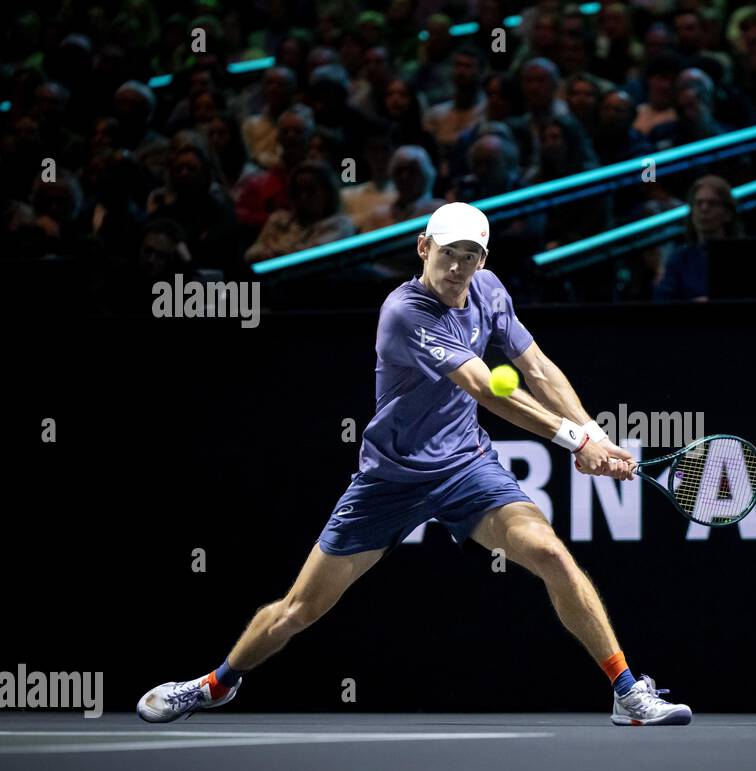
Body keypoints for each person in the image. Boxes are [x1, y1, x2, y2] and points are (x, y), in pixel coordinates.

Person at [138, 202, 693, 728]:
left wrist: (595, 433)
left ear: (484, 261)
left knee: (551, 553)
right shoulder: (404, 311)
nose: (458, 266)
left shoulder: (489, 291)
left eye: (471, 255)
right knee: (298, 610)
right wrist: (575, 441)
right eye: (447, 252)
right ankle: (215, 683)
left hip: (466, 468)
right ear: (422, 246)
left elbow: (538, 369)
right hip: (390, 480)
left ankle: (628, 693)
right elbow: (485, 387)